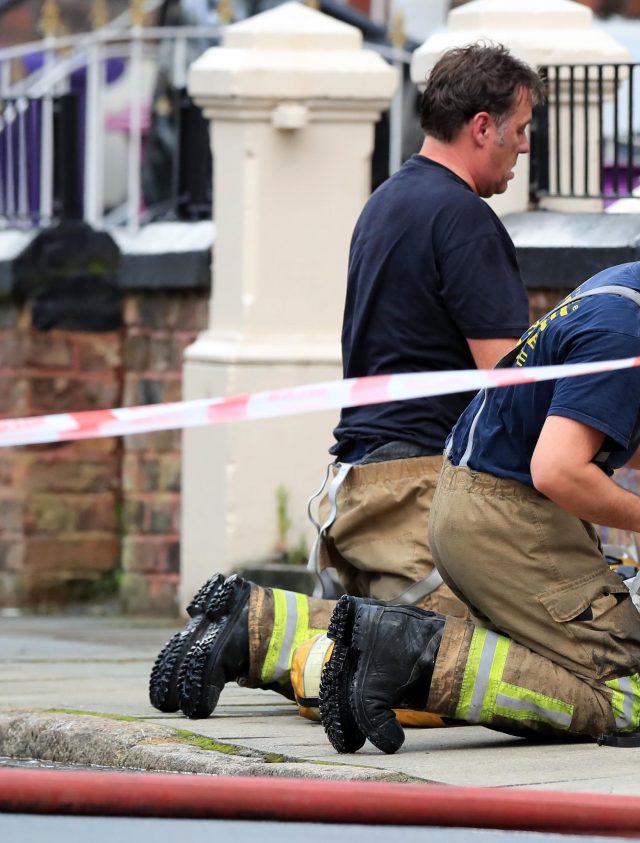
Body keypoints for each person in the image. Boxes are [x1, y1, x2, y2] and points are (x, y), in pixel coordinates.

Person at [318, 179, 640, 754]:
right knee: (630, 697)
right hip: (503, 516)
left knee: (607, 665)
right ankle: (401, 652)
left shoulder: (636, 301)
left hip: (485, 505)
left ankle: (402, 648)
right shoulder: (621, 331)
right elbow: (556, 469)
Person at [148, 43, 545, 720]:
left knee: (368, 644)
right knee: (486, 653)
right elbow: (506, 387)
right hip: (423, 490)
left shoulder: (386, 202)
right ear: (483, 127)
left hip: (358, 486)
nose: (525, 148)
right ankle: (248, 626)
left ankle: (255, 631)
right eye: (523, 128)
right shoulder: (466, 221)